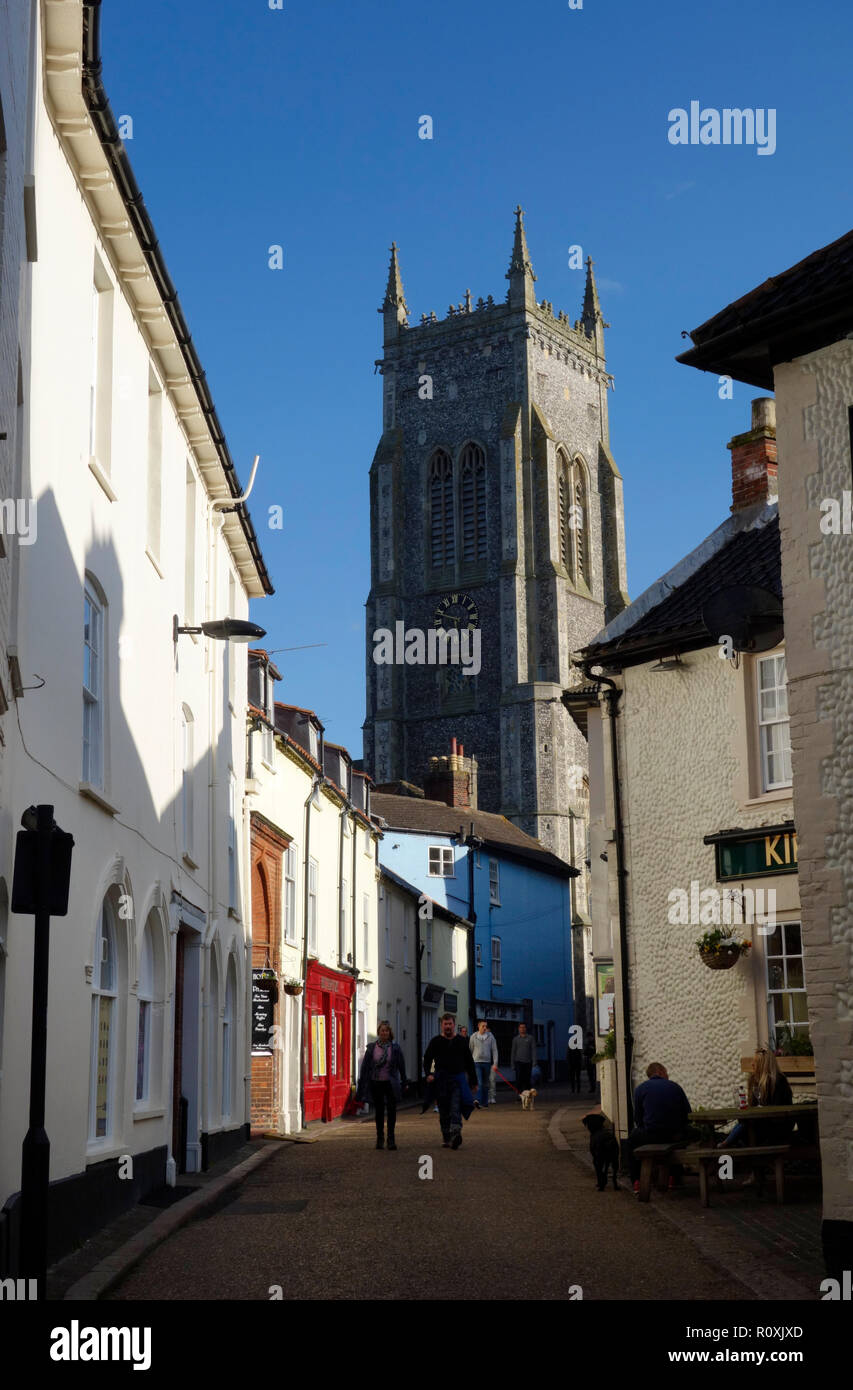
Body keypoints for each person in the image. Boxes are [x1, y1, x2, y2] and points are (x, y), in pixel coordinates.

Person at [624, 1063, 691, 1195]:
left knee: (631, 1141)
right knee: (685, 1135)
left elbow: (638, 1119)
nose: (668, 1075)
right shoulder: (675, 1086)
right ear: (660, 1071)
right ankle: (674, 1177)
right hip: (674, 1135)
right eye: (666, 1072)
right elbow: (687, 1114)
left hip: (651, 1135)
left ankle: (636, 1180)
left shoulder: (640, 1089)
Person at [720, 1047, 795, 1149]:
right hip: (763, 1122)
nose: (752, 1064)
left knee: (746, 1124)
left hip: (778, 1125)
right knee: (745, 1123)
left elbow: (776, 1109)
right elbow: (753, 1105)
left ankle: (726, 1143)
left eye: (755, 1062)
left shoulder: (778, 1081)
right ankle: (728, 1143)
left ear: (762, 1065)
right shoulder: (754, 1080)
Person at [423, 1013, 478, 1148]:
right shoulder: (435, 1041)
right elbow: (427, 1058)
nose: (448, 1026)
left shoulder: (461, 1041)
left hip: (457, 1079)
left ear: (454, 1025)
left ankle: (455, 1133)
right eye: (445, 1024)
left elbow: (469, 1062)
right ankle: (446, 1135)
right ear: (442, 1025)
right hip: (441, 1080)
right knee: (443, 1110)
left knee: (455, 1107)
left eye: (450, 1024)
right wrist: (428, 1074)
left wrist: (473, 1081)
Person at [356, 1020, 408, 1151]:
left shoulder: (395, 1048)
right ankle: (380, 1138)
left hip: (390, 1083)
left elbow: (401, 1066)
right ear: (378, 1032)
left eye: (386, 1030)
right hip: (376, 1082)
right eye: (382, 1030)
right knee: (379, 1112)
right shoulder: (372, 1048)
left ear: (390, 1033)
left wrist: (404, 1081)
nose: (384, 1032)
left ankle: (391, 1139)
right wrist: (362, 1082)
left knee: (391, 1112)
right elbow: (365, 1066)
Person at [469, 1019, 498, 1109]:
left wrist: (495, 1063)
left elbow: (494, 1050)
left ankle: (484, 1103)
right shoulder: (473, 1036)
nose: (485, 1028)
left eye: (486, 1026)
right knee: (480, 1083)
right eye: (483, 1026)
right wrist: (469, 1063)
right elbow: (470, 1050)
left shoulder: (490, 1036)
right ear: (479, 1026)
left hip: (487, 1063)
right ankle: (477, 1100)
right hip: (476, 1062)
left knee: (486, 1083)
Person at [511, 1023, 536, 1095]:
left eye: (524, 1027)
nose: (522, 1029)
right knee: (519, 1080)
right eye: (521, 1027)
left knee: (527, 1080)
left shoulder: (530, 1038)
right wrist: (512, 1064)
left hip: (528, 1062)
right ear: (518, 1029)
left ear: (526, 1028)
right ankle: (520, 1096)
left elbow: (533, 1050)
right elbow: (513, 1052)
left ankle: (528, 1096)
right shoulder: (515, 1039)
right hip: (518, 1062)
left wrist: (534, 1062)